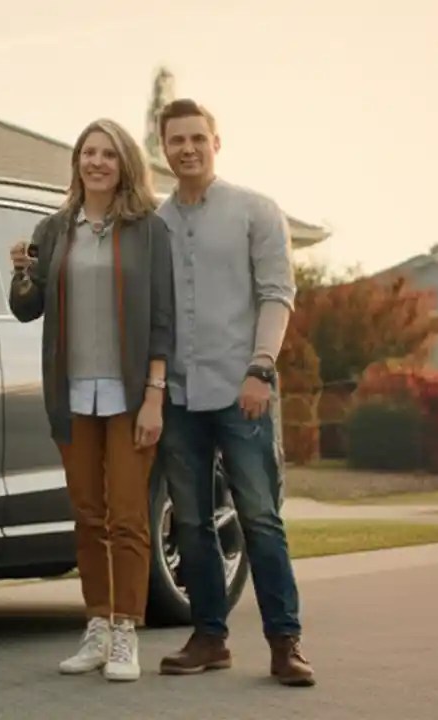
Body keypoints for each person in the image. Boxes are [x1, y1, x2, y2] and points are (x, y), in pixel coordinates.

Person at [152, 98, 315, 687]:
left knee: (260, 518)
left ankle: (285, 642)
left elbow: (277, 295)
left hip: (242, 390)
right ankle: (209, 637)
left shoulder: (255, 211)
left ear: (216, 143)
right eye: (177, 140)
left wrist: (260, 369)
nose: (188, 149)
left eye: (198, 138)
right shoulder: (155, 225)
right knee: (192, 522)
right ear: (163, 149)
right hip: (179, 396)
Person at [8, 118, 174, 682]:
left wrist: (154, 395)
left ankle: (126, 630)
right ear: (77, 161)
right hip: (72, 391)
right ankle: (98, 625)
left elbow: (163, 319)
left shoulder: (150, 230)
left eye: (108, 154)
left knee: (127, 515)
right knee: (87, 516)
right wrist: (22, 274)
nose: (96, 162)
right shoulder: (55, 229)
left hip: (130, 395)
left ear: (125, 164)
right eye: (88, 152)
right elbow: (27, 308)